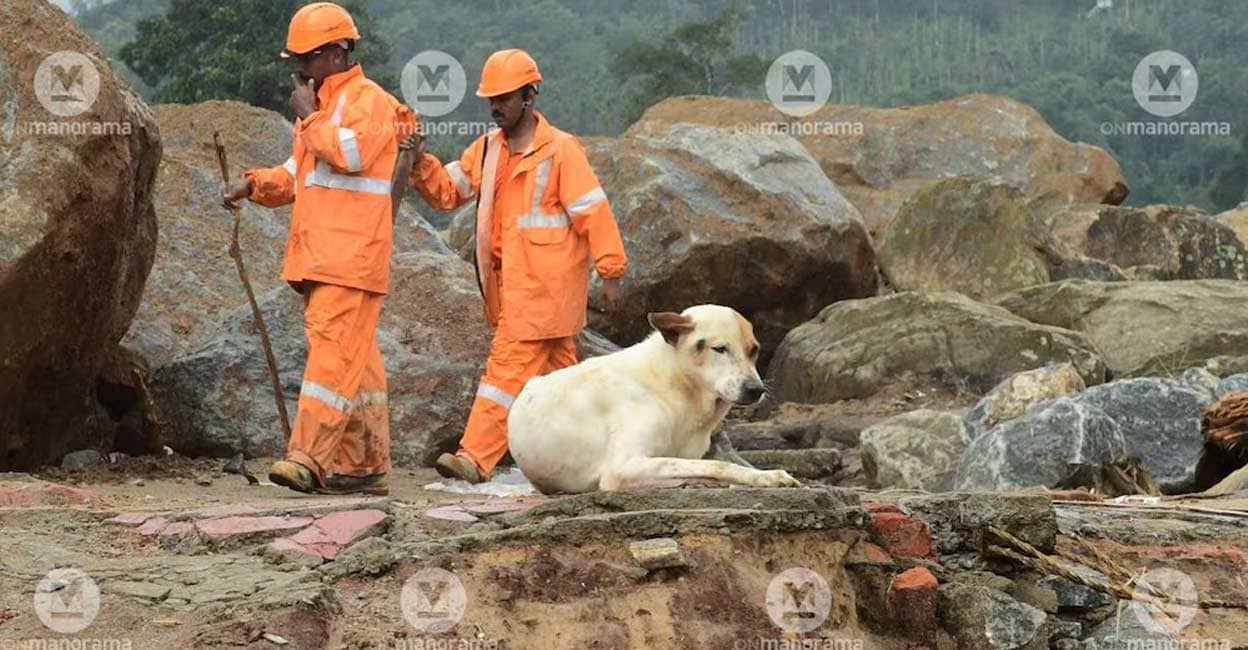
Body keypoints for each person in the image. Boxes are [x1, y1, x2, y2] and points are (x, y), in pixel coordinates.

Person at [403, 48, 628, 483]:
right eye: (491, 99)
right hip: (511, 286)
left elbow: (592, 211)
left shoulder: (561, 150)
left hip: (544, 286)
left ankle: (474, 457)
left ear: (529, 95)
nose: (495, 107)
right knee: (561, 380)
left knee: (505, 369)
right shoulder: (487, 150)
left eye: (504, 98)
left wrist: (612, 270)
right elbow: (449, 191)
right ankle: (591, 457)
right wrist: (421, 162)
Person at [221, 2, 416, 495]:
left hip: (349, 259)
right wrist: (253, 184)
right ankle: (364, 464)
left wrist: (309, 118)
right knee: (358, 365)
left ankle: (307, 458)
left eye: (306, 58)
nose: (299, 69)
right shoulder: (323, 112)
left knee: (330, 359)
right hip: (327, 259)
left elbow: (350, 155)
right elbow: (297, 174)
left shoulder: (372, 102)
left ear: (336, 51)